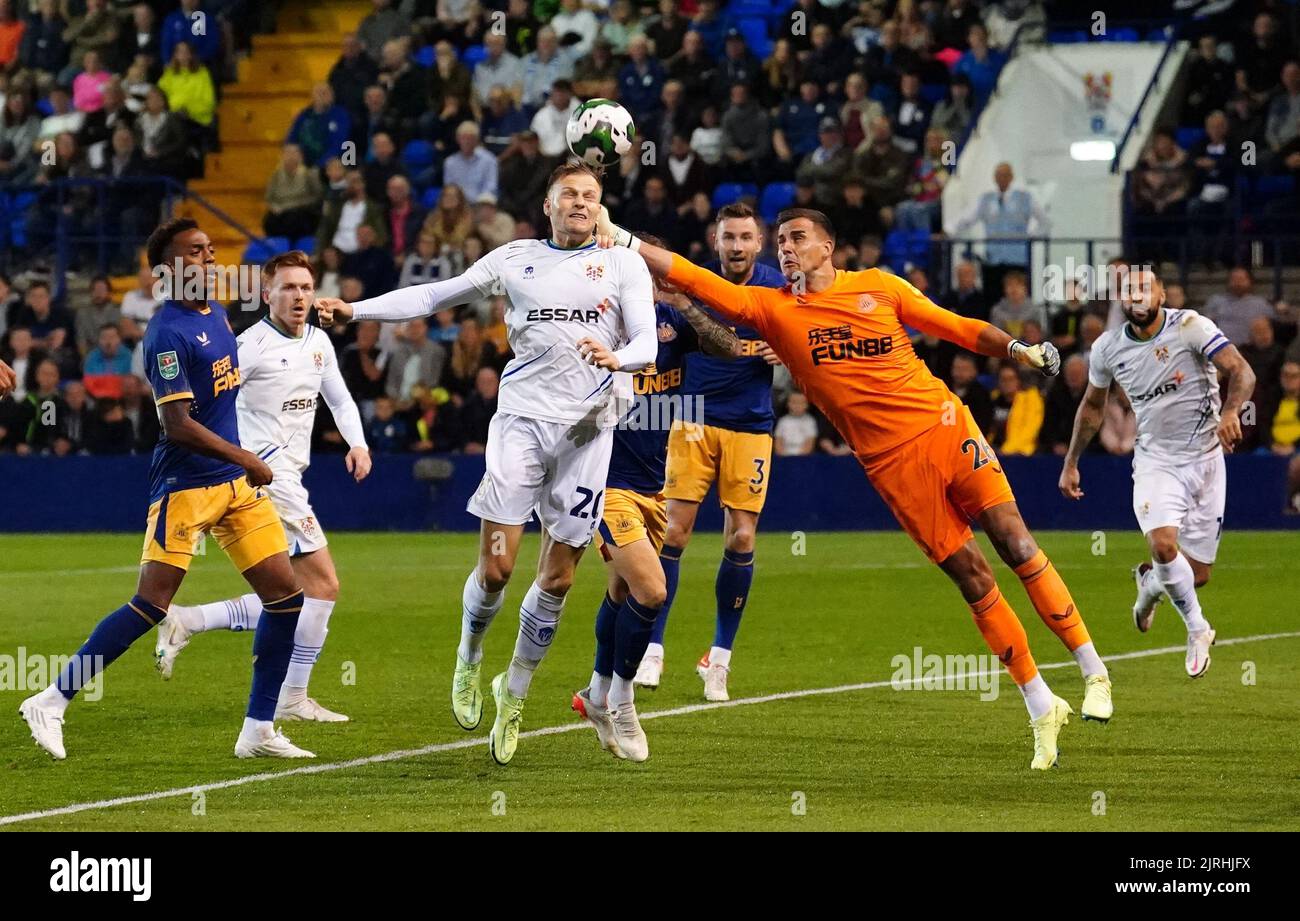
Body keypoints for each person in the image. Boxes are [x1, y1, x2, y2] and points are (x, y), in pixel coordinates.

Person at [599, 203, 1111, 771]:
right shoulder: (771, 310)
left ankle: (1093, 670)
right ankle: (1041, 703)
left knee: (1014, 541)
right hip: (890, 465)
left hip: (944, 425)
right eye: (782, 241)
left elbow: (954, 326)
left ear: (828, 247)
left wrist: (1017, 349)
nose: (785, 248)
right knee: (972, 576)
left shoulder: (879, 287)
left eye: (797, 238)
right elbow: (695, 279)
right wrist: (618, 235)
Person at [316, 161, 657, 766]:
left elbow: (648, 343)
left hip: (587, 433)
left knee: (556, 580)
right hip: (521, 425)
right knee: (498, 571)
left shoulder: (624, 261)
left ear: (599, 207)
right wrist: (355, 310)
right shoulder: (514, 258)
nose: (580, 203)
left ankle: (515, 692)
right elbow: (432, 294)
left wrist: (618, 357)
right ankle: (470, 657)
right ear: (547, 206)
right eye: (568, 196)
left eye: (590, 196)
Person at [18, 218, 312, 762]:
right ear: (169, 269)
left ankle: (258, 729)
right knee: (151, 604)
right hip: (186, 485)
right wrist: (245, 455)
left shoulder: (217, 315)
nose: (208, 258)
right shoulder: (166, 334)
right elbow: (176, 423)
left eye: (208, 249)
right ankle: (52, 698)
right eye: (195, 252)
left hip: (234, 487)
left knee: (286, 598)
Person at [158, 250, 371, 722]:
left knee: (292, 594)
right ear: (266, 293)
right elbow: (210, 407)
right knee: (324, 585)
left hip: (292, 473)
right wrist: (240, 456)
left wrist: (357, 443)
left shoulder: (319, 341)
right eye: (289, 287)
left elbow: (339, 396)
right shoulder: (249, 346)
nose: (299, 296)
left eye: (306, 288)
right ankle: (291, 699)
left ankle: (191, 620)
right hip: (266, 475)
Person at [572, 233, 741, 762]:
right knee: (652, 589)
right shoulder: (593, 322)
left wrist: (684, 300)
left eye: (646, 267)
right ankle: (622, 699)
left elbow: (730, 345)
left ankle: (596, 692)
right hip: (606, 483)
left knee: (622, 593)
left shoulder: (670, 326)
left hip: (655, 487)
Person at [1060, 267, 1255, 678]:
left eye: (1145, 288)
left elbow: (1241, 370)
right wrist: (1072, 461)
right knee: (1165, 546)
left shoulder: (1190, 327)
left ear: (1161, 294)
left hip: (1206, 461)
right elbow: (1094, 407)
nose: (1137, 296)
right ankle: (1197, 628)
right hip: (1155, 462)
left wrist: (1232, 410)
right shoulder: (1107, 348)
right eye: (1129, 290)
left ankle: (1149, 585)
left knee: (1195, 575)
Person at [634, 202, 785, 702]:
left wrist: (784, 351)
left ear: (758, 243)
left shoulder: (777, 290)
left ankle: (718, 659)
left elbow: (807, 347)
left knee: (741, 538)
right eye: (729, 238)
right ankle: (651, 650)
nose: (737, 246)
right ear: (715, 241)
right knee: (673, 529)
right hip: (693, 419)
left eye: (746, 237)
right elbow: (664, 353)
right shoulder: (693, 285)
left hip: (750, 424)